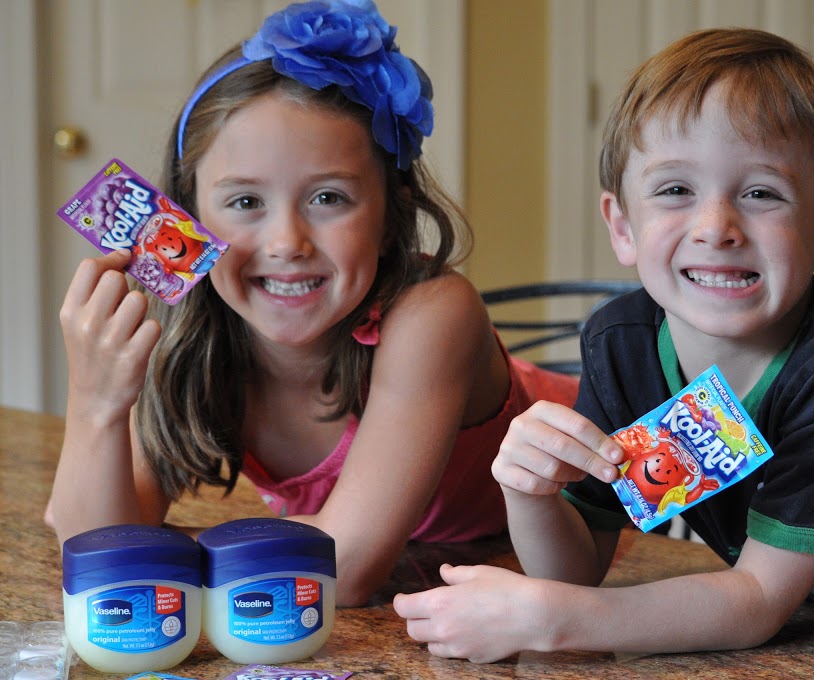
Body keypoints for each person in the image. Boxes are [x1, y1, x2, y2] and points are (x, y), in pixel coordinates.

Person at [393, 27, 814, 661]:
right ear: (622, 225)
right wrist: (527, 490)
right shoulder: (624, 346)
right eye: (675, 190)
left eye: (761, 193)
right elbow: (575, 572)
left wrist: (549, 622)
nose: (716, 227)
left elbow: (753, 601)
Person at [47, 0, 577, 607]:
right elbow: (99, 560)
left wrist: (175, 570)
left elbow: (340, 572)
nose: (286, 244)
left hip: (549, 541)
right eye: (245, 202)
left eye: (328, 198)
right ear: (186, 220)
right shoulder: (189, 333)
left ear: (392, 212)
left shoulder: (434, 314)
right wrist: (95, 402)